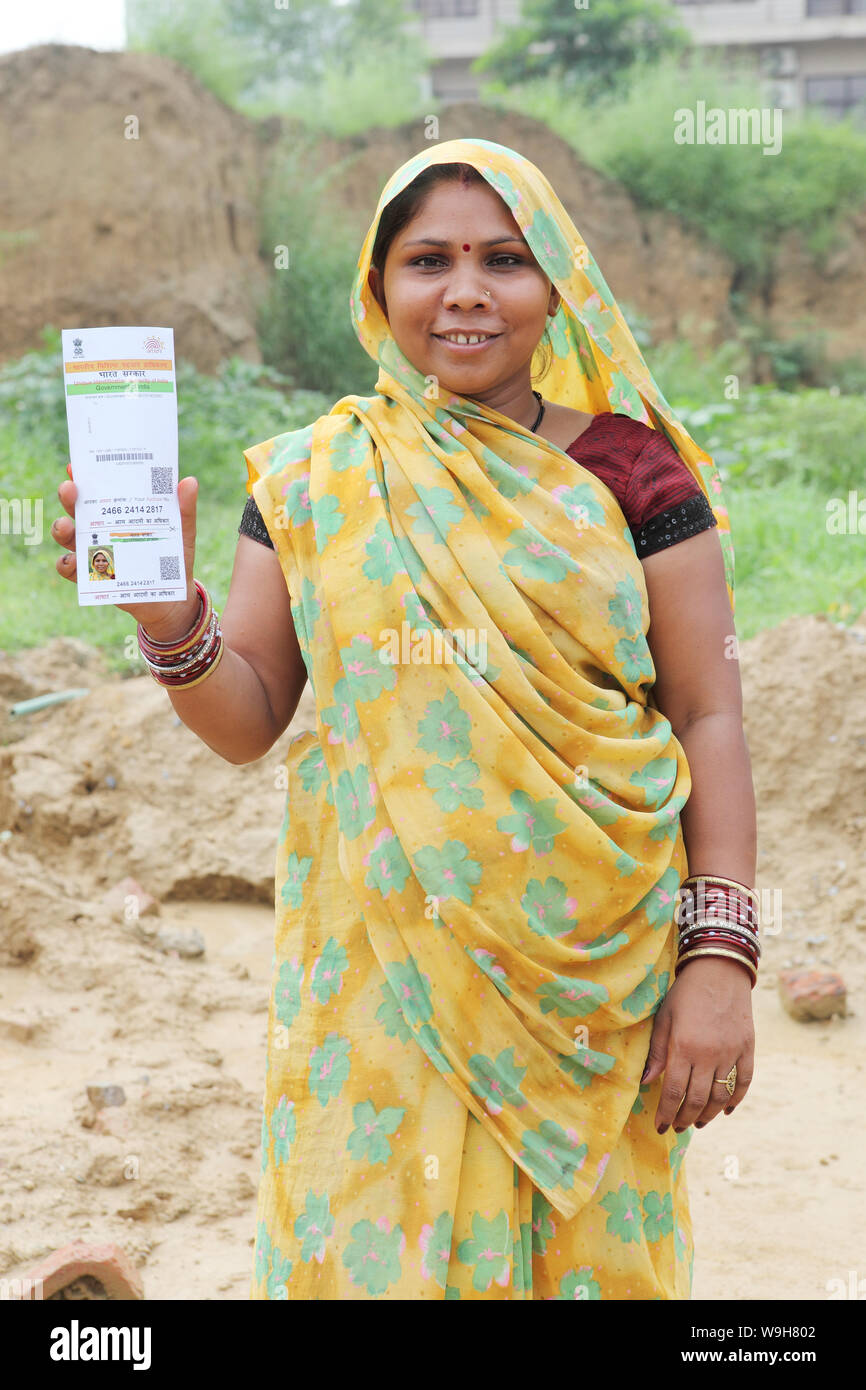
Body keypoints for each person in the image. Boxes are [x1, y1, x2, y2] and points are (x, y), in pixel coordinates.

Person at [53, 138, 758, 1301]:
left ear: (557, 285)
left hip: (597, 971)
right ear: (378, 291)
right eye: (428, 259)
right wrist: (161, 606)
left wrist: (720, 960)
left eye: (504, 259)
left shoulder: (636, 475)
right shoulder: (319, 476)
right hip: (378, 972)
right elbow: (247, 718)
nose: (466, 291)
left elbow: (708, 714)